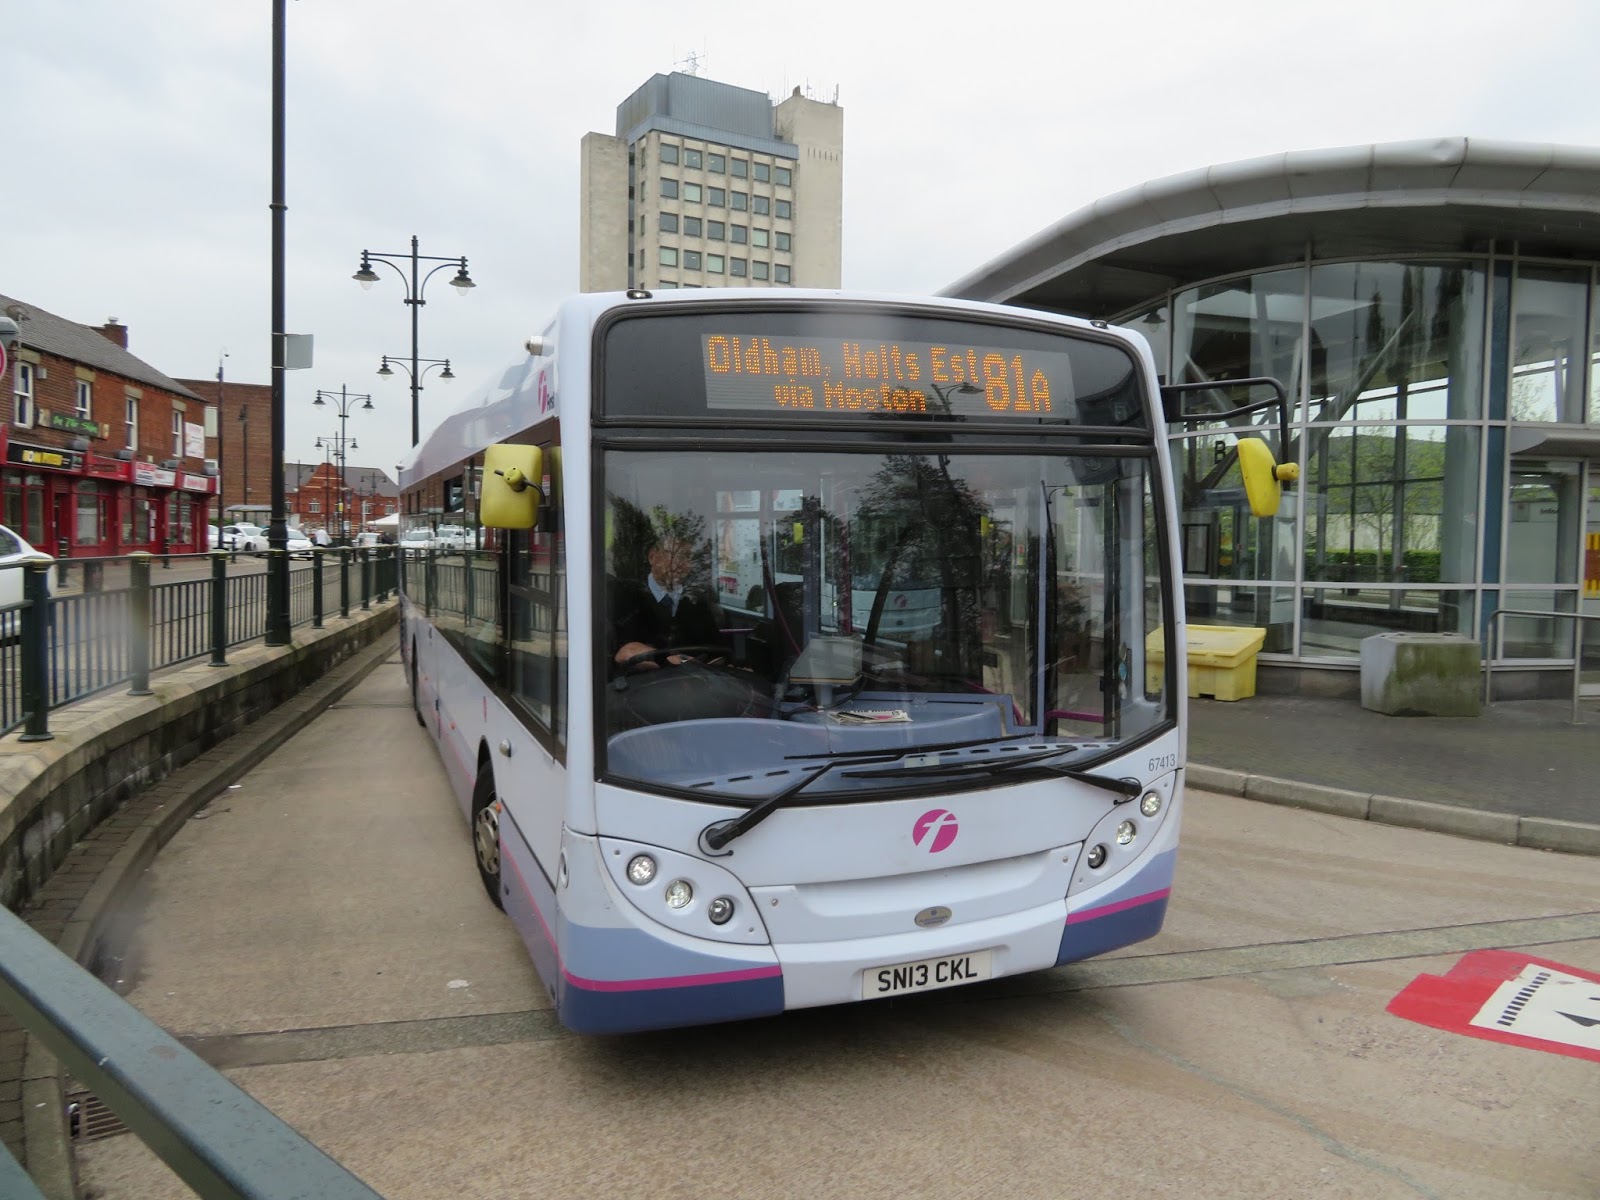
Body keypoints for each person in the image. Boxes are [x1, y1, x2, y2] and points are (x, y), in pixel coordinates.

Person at [610, 533, 724, 670]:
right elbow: (621, 654)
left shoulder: (698, 603)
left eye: (687, 557)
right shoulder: (625, 597)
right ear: (652, 557)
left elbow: (717, 653)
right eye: (673, 555)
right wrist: (671, 662)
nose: (680, 564)